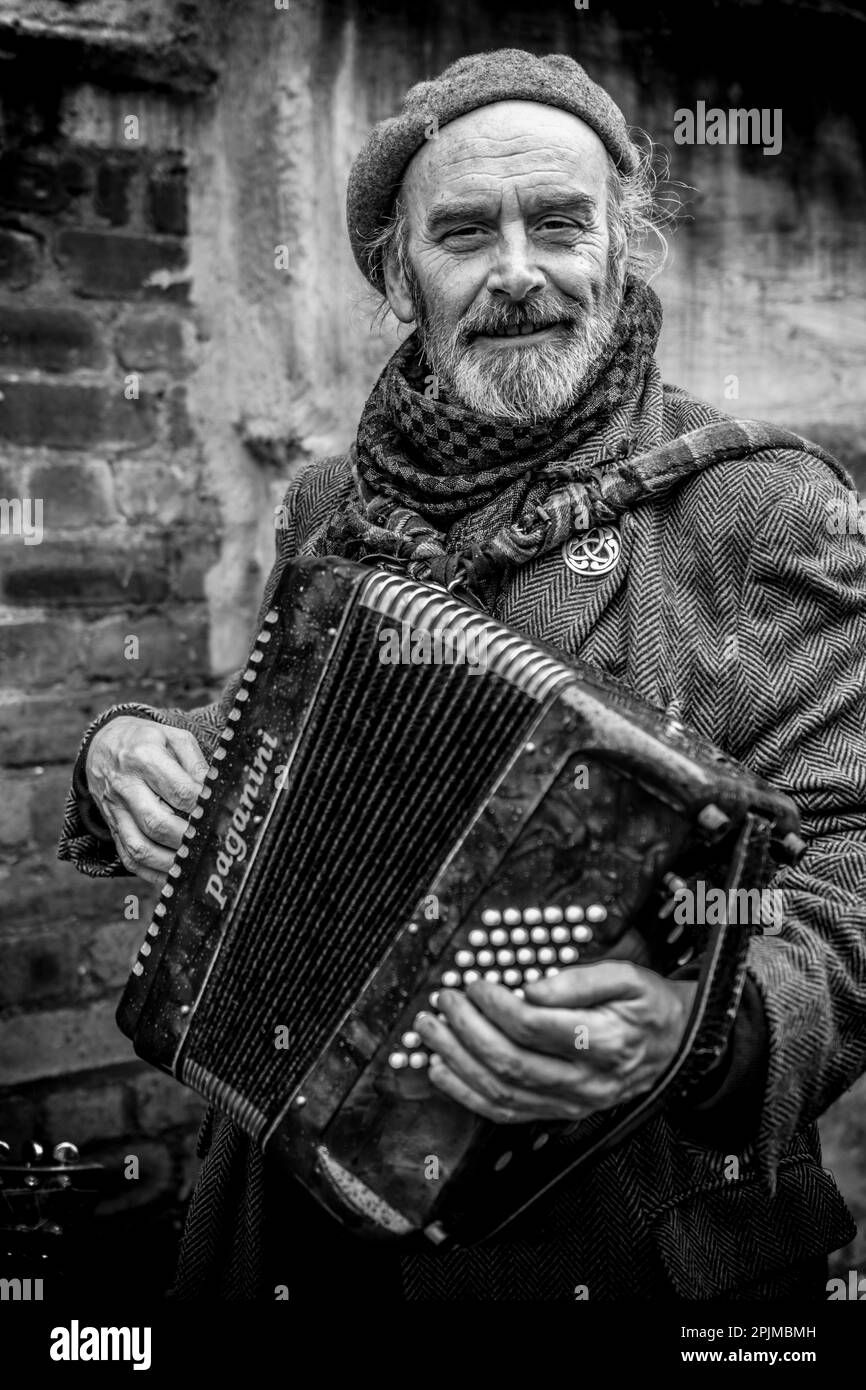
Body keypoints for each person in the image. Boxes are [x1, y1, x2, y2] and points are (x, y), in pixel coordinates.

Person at [59, 49, 866, 1301]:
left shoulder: (763, 508)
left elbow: (850, 857)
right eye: (464, 232)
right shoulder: (332, 501)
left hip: (620, 1245)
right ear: (399, 276)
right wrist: (119, 751)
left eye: (559, 224)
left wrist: (698, 1026)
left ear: (618, 247)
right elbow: (277, 741)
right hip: (293, 1200)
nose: (518, 271)